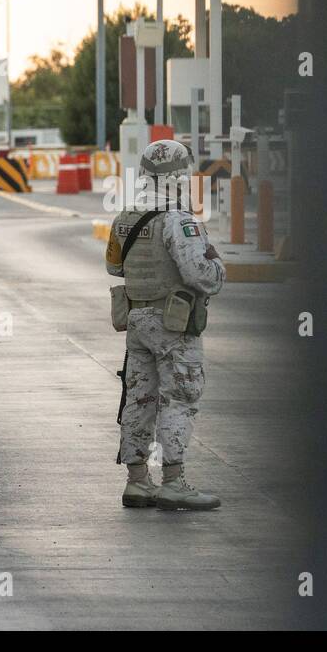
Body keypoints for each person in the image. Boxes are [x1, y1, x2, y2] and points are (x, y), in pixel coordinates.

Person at [105, 139, 225, 510]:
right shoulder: (179, 219)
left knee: (139, 398)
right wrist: (219, 268)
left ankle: (138, 481)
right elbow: (202, 275)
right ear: (178, 177)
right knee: (180, 397)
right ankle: (174, 480)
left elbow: (114, 267)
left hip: (137, 320)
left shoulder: (125, 216)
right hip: (173, 324)